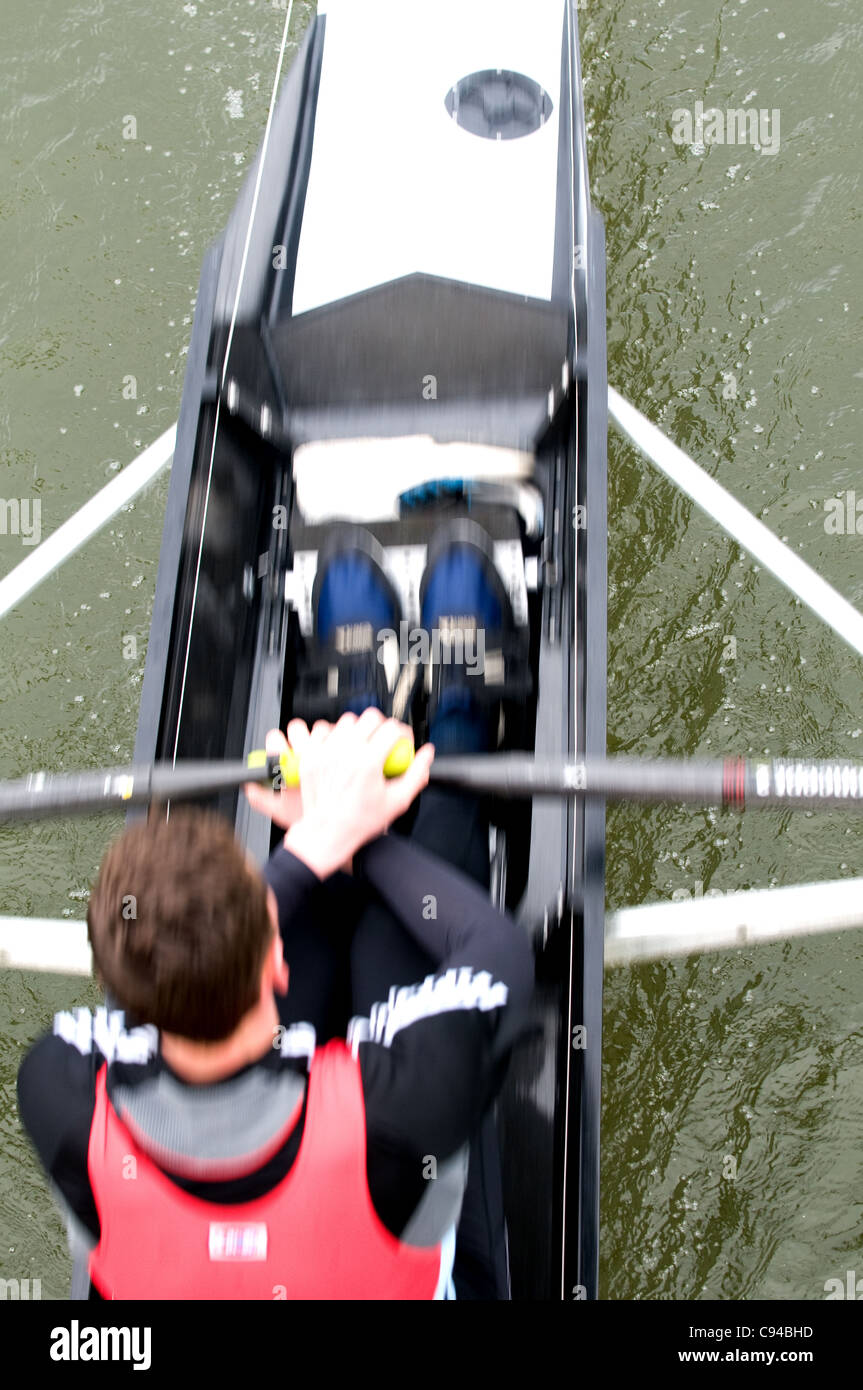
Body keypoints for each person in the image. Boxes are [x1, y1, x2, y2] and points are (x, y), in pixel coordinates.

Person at [17, 522, 534, 1299]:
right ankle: (452, 733)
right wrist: (334, 835)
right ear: (272, 959)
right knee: (388, 930)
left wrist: (318, 843)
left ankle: (362, 715)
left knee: (320, 914)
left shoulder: (63, 1095)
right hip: (406, 1206)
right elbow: (490, 950)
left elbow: (174, 964)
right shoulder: (399, 1109)